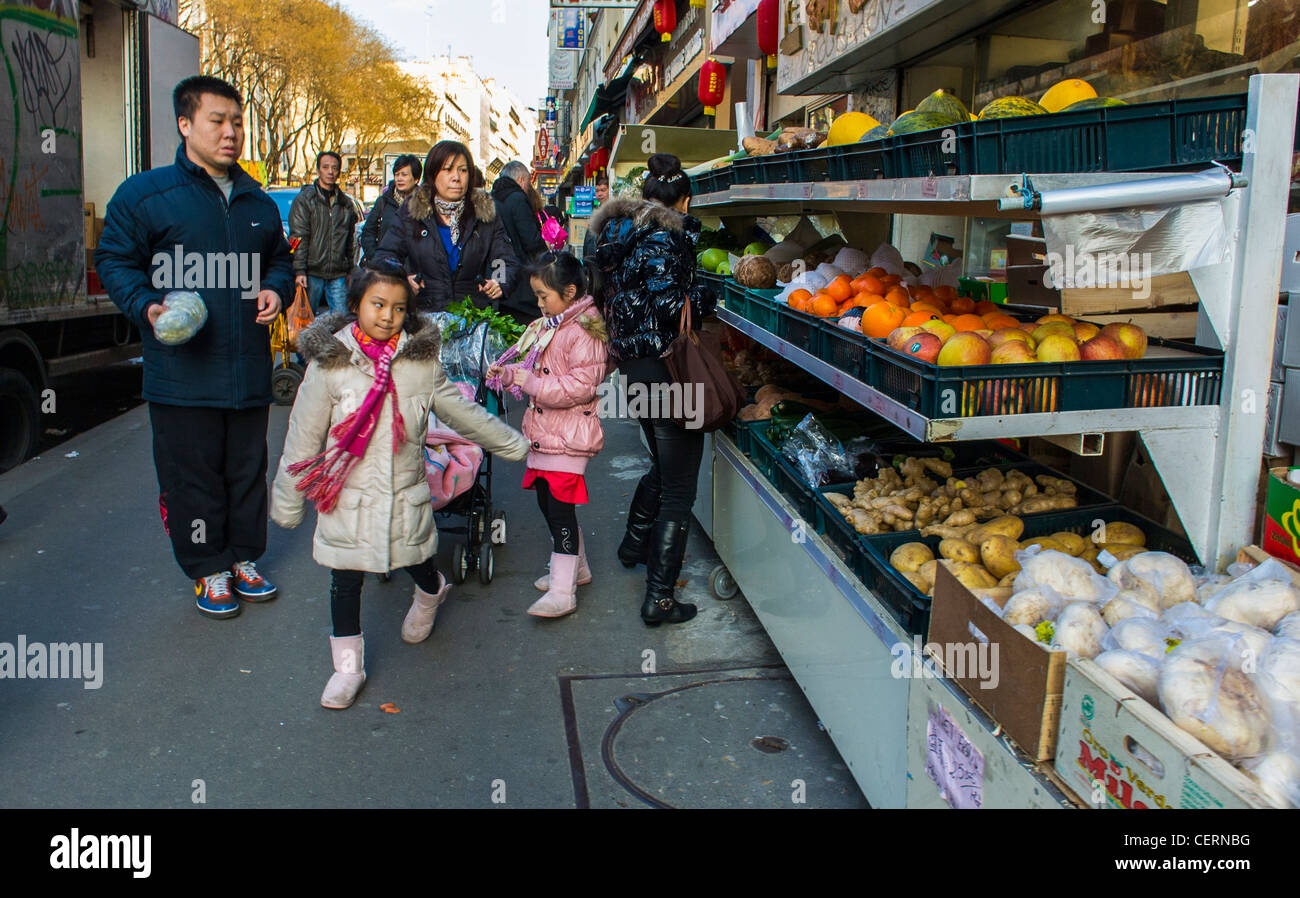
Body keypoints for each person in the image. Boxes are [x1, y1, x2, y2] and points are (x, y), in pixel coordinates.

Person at [270, 260, 529, 709]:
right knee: (344, 581)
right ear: (355, 306)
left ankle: (432, 592)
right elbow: (303, 437)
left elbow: (460, 413)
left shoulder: (419, 365)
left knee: (416, 561)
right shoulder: (329, 365)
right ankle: (347, 670)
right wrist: (289, 501)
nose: (387, 315)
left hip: (404, 493)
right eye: (377, 304)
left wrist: (509, 441)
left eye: (397, 307)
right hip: (345, 496)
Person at [95, 75, 294, 619]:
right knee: (192, 474)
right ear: (185, 124)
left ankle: (245, 558)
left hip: (248, 368)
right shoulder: (146, 195)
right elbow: (113, 259)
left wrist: (277, 288)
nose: (231, 132)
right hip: (182, 373)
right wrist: (147, 305)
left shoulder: (257, 199)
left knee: (247, 468)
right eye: (217, 121)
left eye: (237, 121)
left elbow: (279, 258)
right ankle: (207, 567)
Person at [586, 153, 715, 626]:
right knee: (681, 487)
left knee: (663, 464)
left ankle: (634, 544)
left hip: (635, 369)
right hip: (670, 369)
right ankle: (660, 598)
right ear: (684, 200)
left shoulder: (616, 235)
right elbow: (666, 307)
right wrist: (707, 295)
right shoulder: (665, 237)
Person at [486, 252, 610, 619]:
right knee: (547, 501)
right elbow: (534, 367)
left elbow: (581, 386)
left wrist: (534, 384)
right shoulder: (551, 324)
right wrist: (511, 375)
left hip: (569, 435)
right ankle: (578, 570)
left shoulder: (585, 329)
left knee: (559, 510)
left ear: (569, 291)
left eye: (543, 296)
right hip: (546, 432)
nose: (538, 304)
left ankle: (562, 590)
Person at [374, 140, 516, 314]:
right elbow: (385, 256)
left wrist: (499, 280)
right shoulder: (411, 212)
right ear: (433, 174)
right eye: (447, 170)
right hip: (424, 317)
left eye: (463, 170)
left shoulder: (484, 214)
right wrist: (401, 278)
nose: (456, 177)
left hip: (471, 317)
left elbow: (503, 258)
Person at [290, 151, 360, 313]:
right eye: (326, 167)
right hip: (312, 271)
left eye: (334, 168)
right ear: (318, 170)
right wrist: (299, 270)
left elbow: (349, 240)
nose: (330, 172)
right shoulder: (305, 200)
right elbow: (299, 237)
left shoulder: (345, 204)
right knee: (306, 321)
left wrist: (349, 268)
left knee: (342, 322)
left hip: (338, 273)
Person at [491, 161, 546, 320]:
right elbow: (530, 240)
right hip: (521, 276)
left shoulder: (493, 198)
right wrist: (547, 258)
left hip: (499, 269)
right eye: (528, 183)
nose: (528, 188)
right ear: (522, 179)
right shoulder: (518, 198)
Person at [359, 154, 422, 263]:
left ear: (416, 179)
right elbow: (368, 232)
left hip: (414, 271)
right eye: (397, 174)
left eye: (404, 175)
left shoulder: (425, 204)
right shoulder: (383, 201)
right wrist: (375, 258)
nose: (399, 179)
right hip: (385, 268)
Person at [581, 176, 610, 259]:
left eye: (603, 190)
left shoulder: (613, 212)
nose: (600, 194)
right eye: (597, 191)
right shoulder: (595, 211)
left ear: (609, 190)